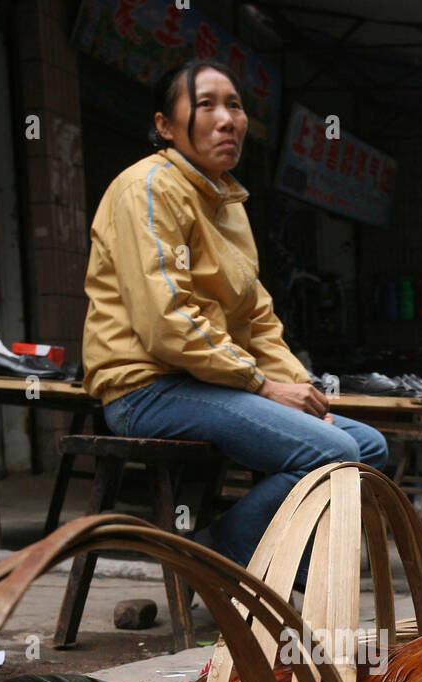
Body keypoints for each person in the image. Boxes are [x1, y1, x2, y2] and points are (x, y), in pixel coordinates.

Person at [81, 60, 388, 581]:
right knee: (333, 452)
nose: (227, 119)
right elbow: (166, 322)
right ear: (165, 124)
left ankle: (272, 569)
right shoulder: (149, 189)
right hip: (147, 388)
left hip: (208, 382)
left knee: (367, 448)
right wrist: (263, 385)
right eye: (206, 105)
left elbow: (257, 319)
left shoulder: (227, 202)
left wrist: (302, 391)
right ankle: (228, 552)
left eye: (236, 105)